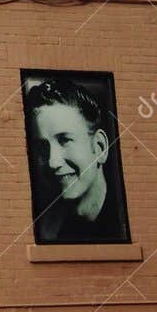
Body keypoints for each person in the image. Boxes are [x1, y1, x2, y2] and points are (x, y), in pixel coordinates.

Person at [25, 77, 128, 242]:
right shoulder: (47, 228)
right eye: (42, 147)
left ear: (100, 147)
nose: (53, 162)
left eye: (65, 140)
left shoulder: (127, 220)